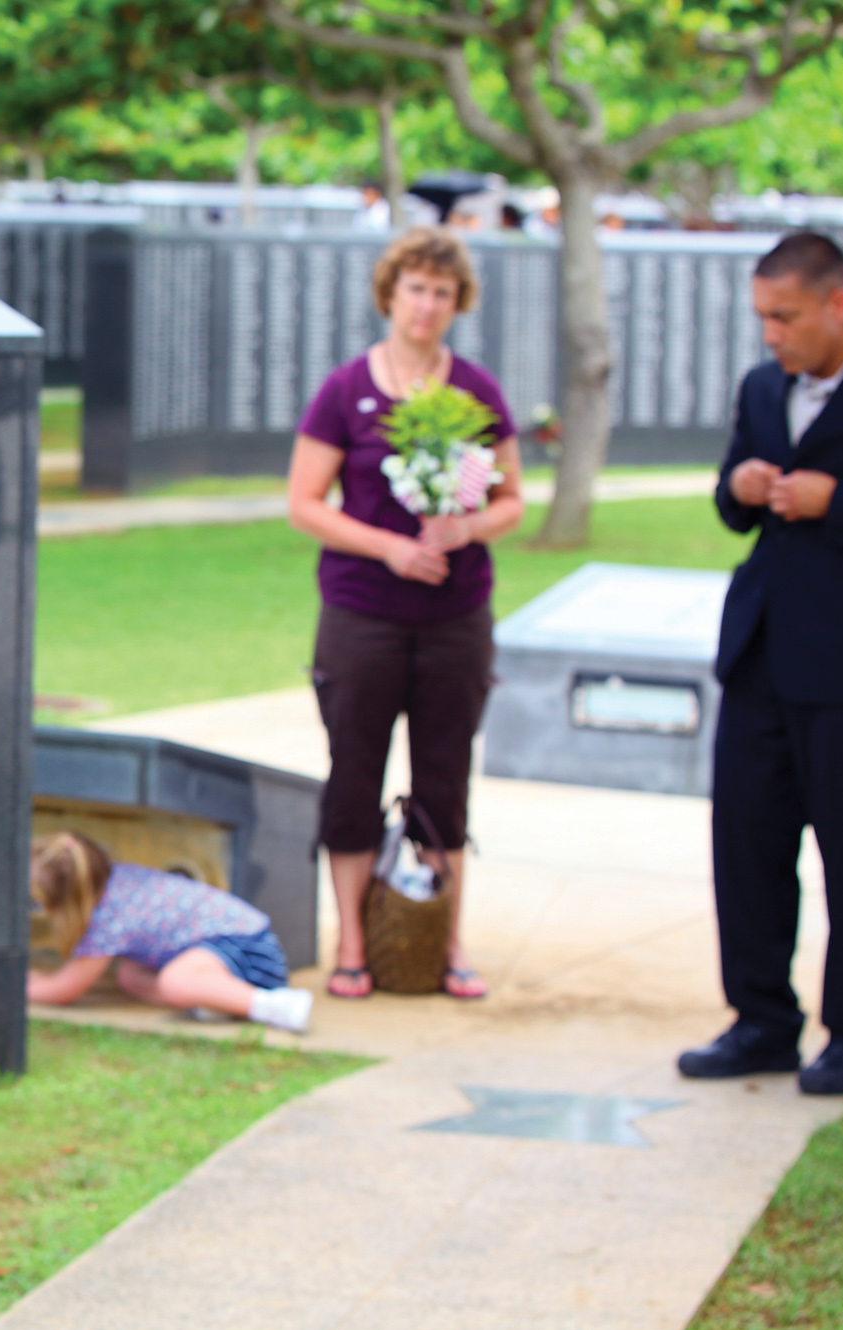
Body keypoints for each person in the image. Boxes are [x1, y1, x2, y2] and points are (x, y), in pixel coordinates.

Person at [678, 231, 843, 1096]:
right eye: (763, 317)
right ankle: (760, 1020)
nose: (772, 335)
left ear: (838, 304)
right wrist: (742, 489)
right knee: (747, 846)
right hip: (762, 652)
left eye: (785, 316)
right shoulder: (763, 389)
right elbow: (728, 504)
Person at [285, 226, 525, 1001]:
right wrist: (386, 547)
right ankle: (354, 943)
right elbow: (303, 503)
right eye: (415, 289)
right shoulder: (346, 390)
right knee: (353, 772)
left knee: (444, 780)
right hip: (363, 612)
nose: (427, 306)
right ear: (390, 293)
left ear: (459, 303)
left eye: (443, 293)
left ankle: (444, 940)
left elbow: (511, 498)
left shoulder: (476, 395)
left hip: (455, 614)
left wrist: (467, 526)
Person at [26, 833, 314, 1033]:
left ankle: (274, 1007)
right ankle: (220, 1002)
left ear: (66, 903)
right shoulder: (118, 879)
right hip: (225, 949)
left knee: (176, 981)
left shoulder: (108, 918)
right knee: (130, 975)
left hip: (250, 949)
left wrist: (21, 987)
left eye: (40, 903)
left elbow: (64, 990)